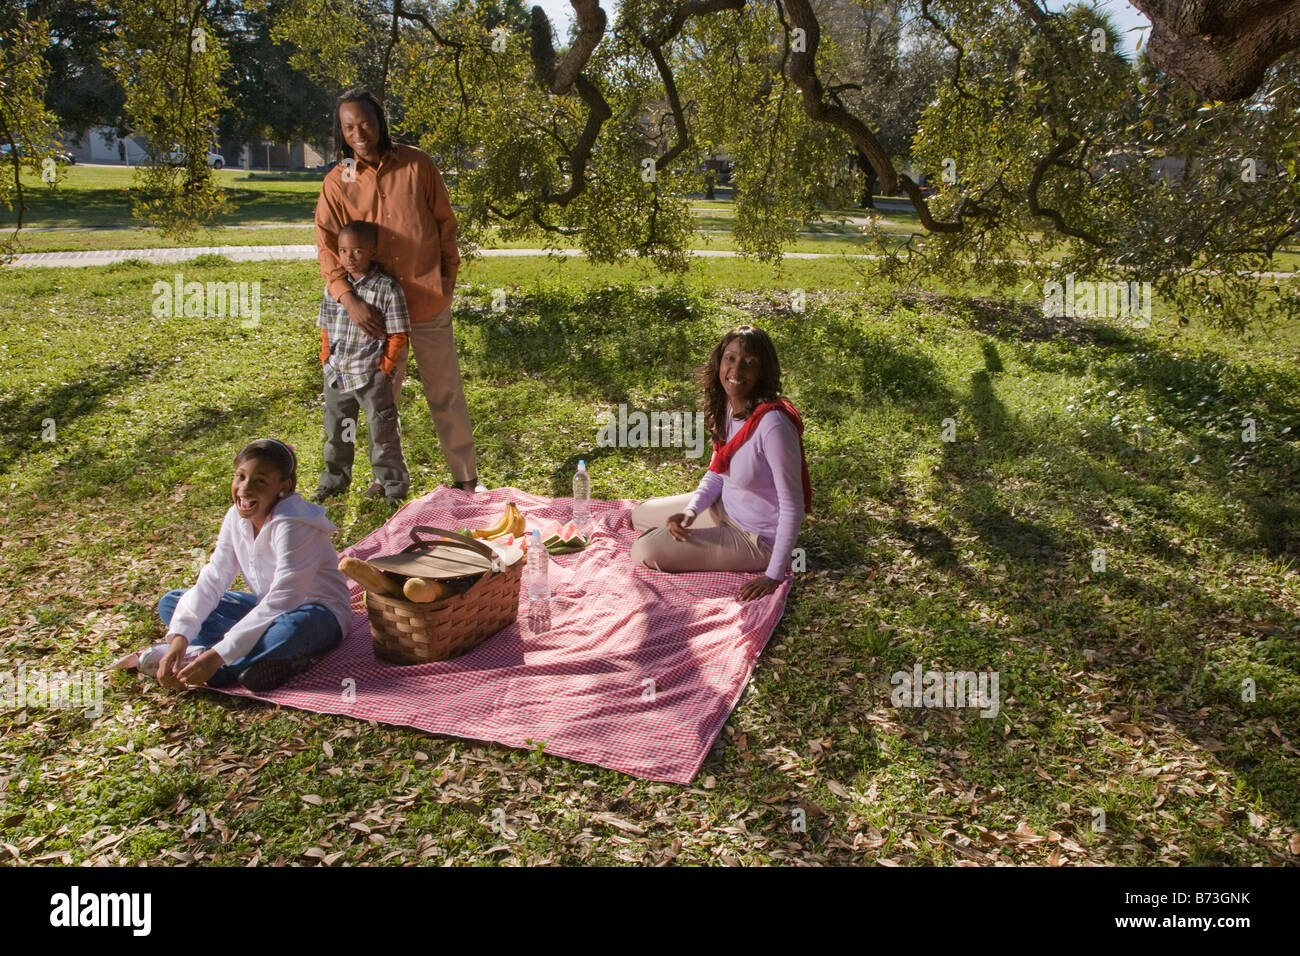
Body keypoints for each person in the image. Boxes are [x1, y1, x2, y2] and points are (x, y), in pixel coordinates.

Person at [314, 88, 485, 493]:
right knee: (379, 401)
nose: (360, 132)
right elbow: (326, 246)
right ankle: (384, 479)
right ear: (340, 131)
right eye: (349, 126)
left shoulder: (417, 164)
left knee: (445, 392)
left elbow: (445, 225)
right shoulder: (339, 180)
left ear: (380, 121)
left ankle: (467, 480)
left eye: (366, 122)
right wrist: (349, 300)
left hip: (426, 302)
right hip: (374, 315)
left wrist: (447, 281)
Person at [119, 440, 352, 692]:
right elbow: (214, 577)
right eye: (240, 476)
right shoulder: (235, 517)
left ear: (283, 486)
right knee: (173, 602)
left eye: (260, 481)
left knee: (291, 629)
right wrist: (179, 638)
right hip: (265, 608)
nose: (245, 488)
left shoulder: (293, 525)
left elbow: (285, 598)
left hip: (317, 614)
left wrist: (218, 654)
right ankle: (257, 657)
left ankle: (219, 664)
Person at [630, 326, 812, 602]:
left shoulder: (773, 426)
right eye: (731, 358)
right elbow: (718, 473)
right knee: (639, 515)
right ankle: (687, 532)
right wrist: (691, 512)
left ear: (763, 372)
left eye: (749, 363)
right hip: (725, 508)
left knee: (644, 551)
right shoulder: (730, 405)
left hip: (755, 539)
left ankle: (690, 544)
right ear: (719, 361)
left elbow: (793, 505)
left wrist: (773, 575)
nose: (736, 370)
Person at [314, 218, 411, 506]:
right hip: (338, 373)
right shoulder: (335, 290)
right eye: (343, 252)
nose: (349, 258)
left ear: (372, 251)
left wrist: (386, 366)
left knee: (382, 433)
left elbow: (398, 333)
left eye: (357, 251)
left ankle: (393, 485)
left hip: (371, 375)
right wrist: (325, 357)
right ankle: (334, 481)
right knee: (339, 431)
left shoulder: (387, 289)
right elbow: (325, 327)